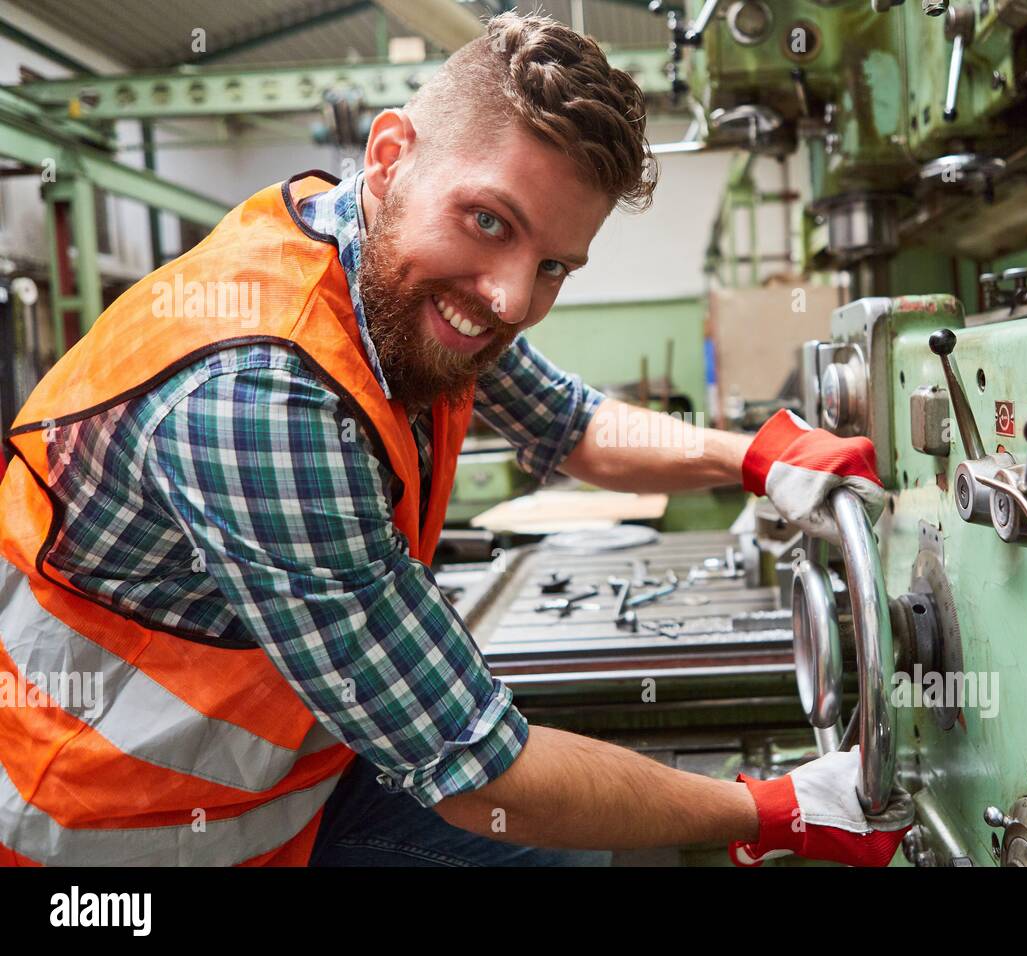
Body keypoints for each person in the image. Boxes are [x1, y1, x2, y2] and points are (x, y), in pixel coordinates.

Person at [0, 12, 908, 868]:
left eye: (553, 265)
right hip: (111, 830)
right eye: (489, 222)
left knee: (556, 841)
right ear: (390, 157)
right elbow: (474, 771)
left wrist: (755, 456)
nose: (512, 298)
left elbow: (572, 426)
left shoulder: (380, 263)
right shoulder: (258, 395)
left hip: (291, 783)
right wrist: (773, 811)